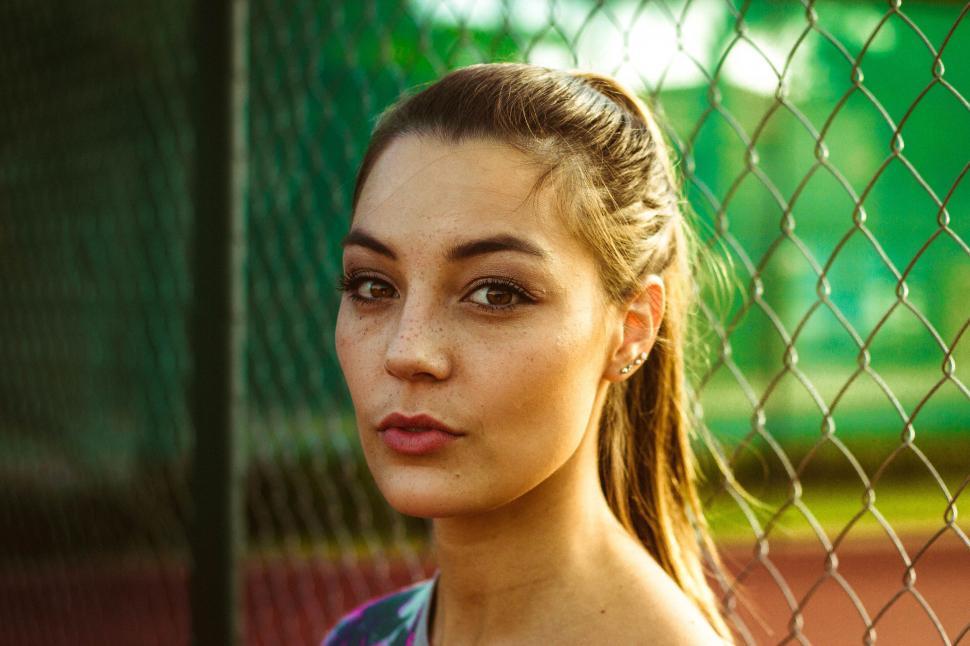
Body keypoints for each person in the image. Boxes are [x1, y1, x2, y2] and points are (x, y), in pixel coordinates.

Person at [325, 62, 733, 645]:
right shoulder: (360, 636)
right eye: (373, 286)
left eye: (496, 293)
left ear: (633, 329)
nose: (406, 351)